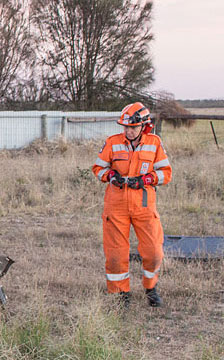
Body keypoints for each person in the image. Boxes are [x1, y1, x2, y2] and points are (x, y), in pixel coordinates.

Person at [92, 102, 172, 308]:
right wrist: (110, 175)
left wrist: (146, 180)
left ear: (144, 126)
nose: (128, 131)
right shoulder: (112, 142)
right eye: (126, 127)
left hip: (144, 205)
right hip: (116, 205)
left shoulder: (154, 143)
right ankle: (121, 295)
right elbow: (98, 168)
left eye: (133, 127)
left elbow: (166, 173)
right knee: (116, 253)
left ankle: (151, 288)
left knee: (154, 252)